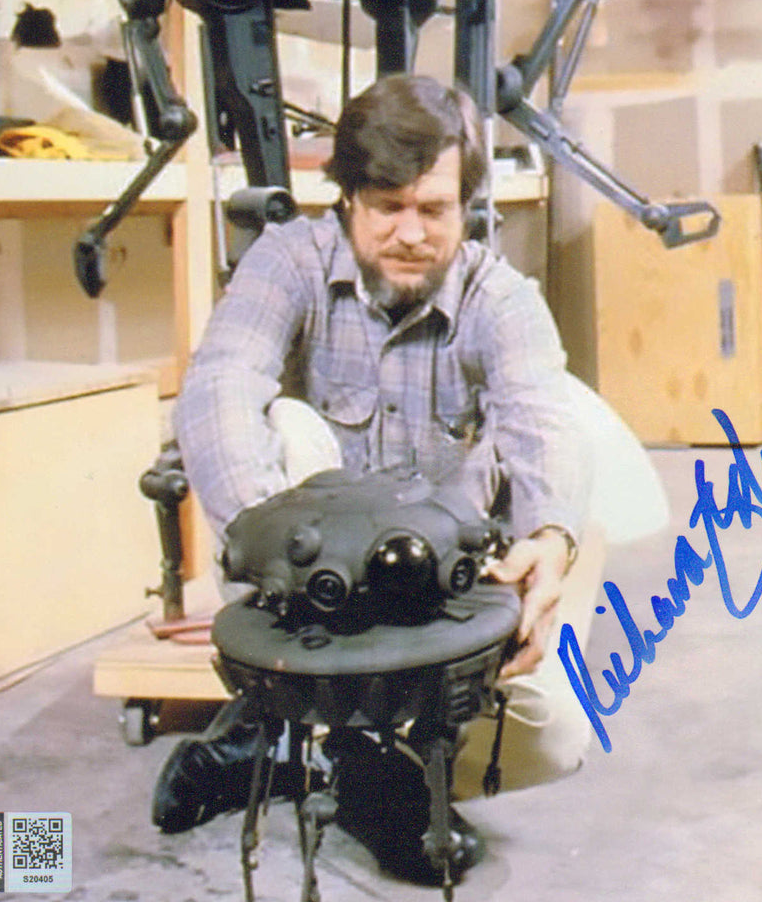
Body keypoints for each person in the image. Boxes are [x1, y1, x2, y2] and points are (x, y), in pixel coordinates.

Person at [155, 74, 593, 881]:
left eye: (434, 209)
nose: (411, 233)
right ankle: (341, 752)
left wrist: (551, 539)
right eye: (387, 205)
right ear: (346, 200)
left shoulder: (500, 296)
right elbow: (218, 383)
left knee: (558, 739)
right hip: (307, 586)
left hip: (432, 602)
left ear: (467, 209)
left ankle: (305, 754)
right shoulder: (288, 260)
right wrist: (274, 546)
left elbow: (541, 416)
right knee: (281, 422)